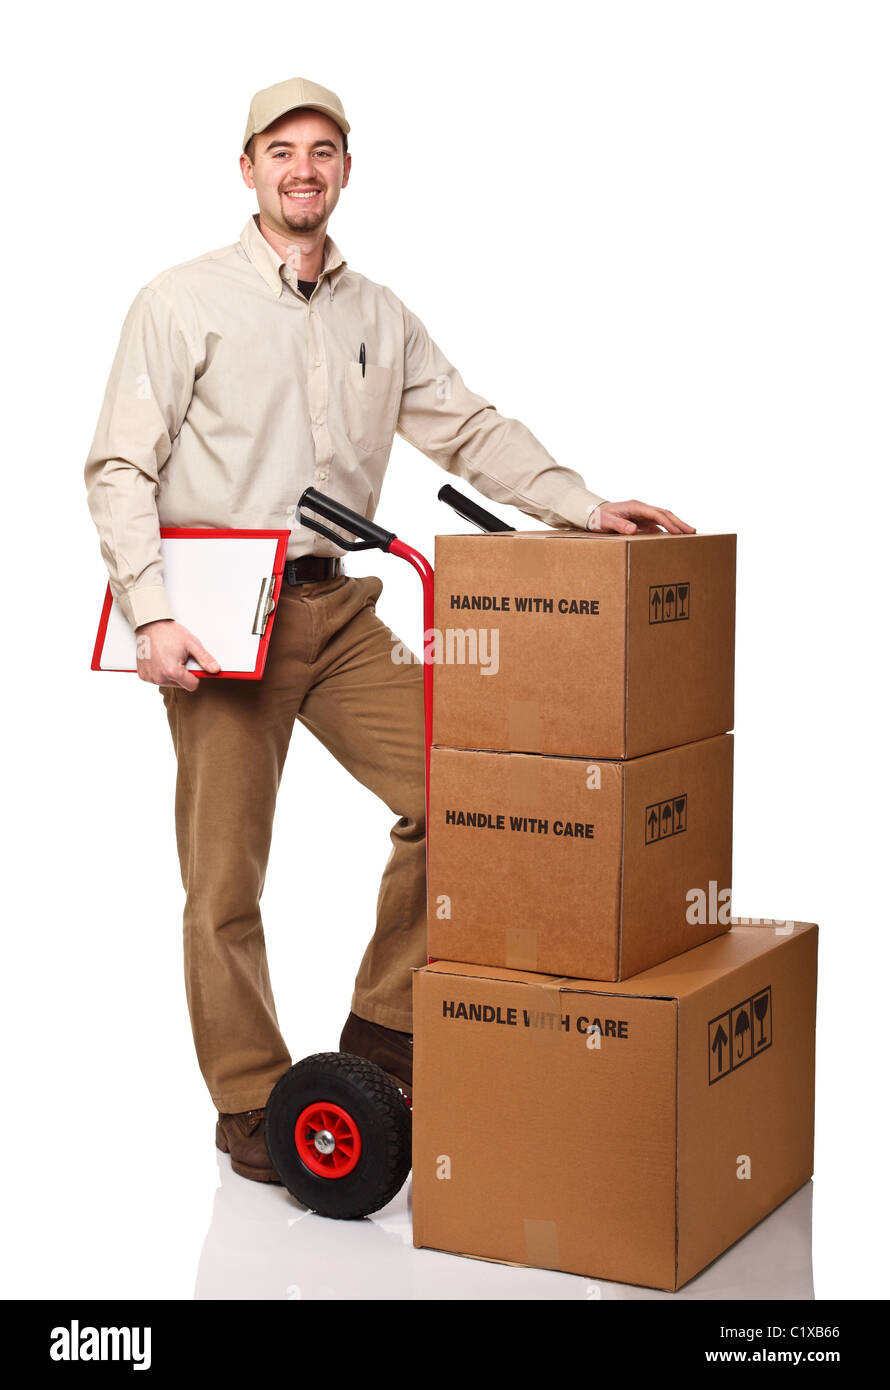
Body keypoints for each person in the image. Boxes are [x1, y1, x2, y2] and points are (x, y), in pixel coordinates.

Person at [85, 76, 695, 1183]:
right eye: (281, 151)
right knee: (223, 881)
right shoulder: (181, 302)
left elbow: (463, 426)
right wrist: (152, 610)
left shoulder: (378, 313)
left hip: (336, 605)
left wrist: (583, 504)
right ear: (247, 169)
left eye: (322, 151)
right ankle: (248, 1101)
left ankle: (378, 1032)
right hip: (223, 618)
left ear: (345, 172)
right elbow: (120, 463)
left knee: (464, 792)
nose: (302, 169)